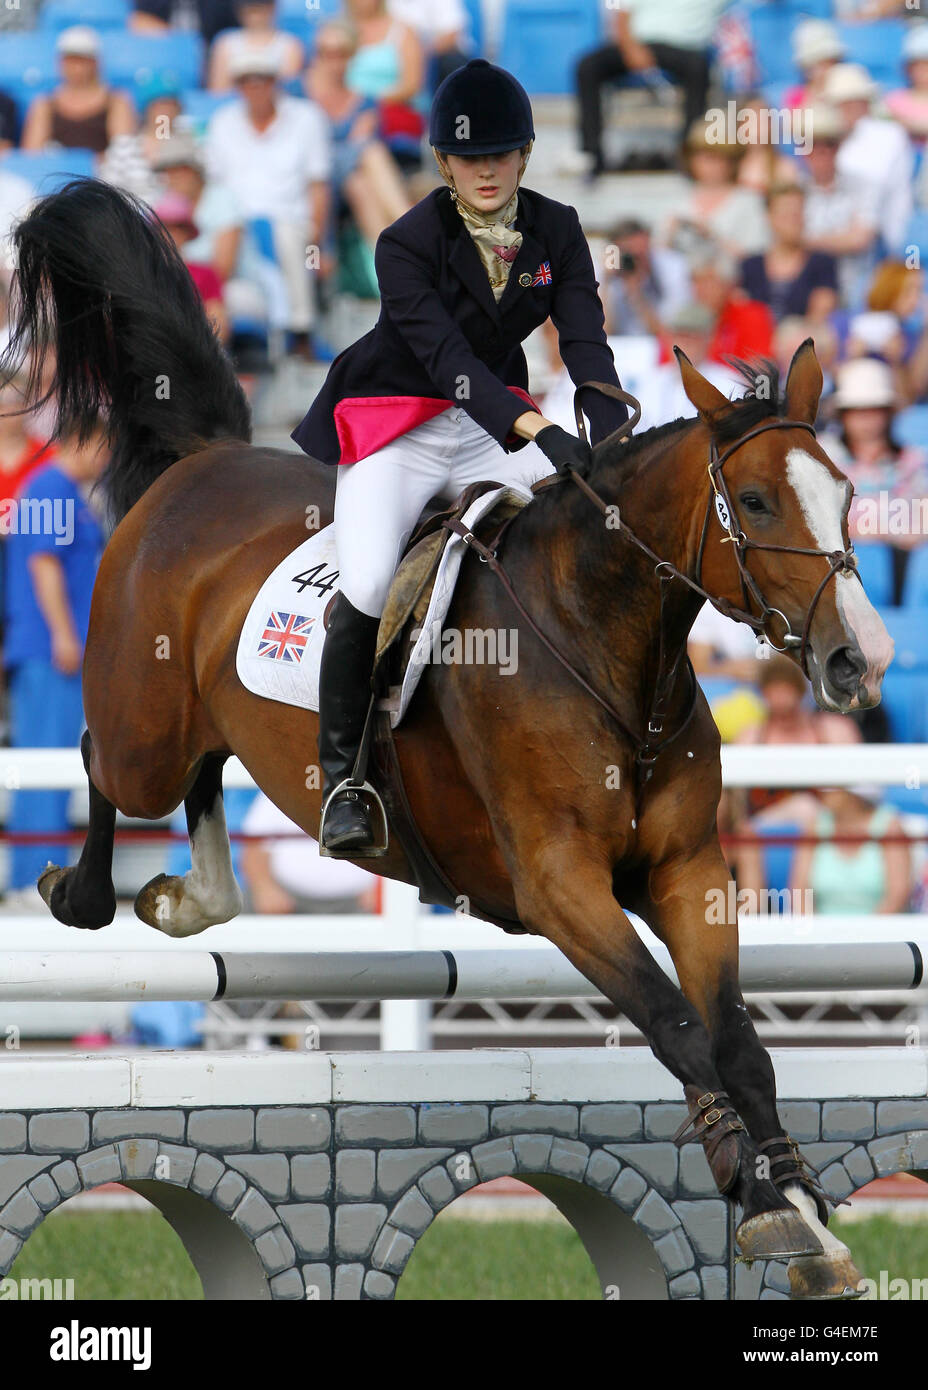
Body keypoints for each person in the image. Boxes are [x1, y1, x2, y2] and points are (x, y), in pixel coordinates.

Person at [291, 59, 629, 853]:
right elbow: (450, 365)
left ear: (525, 154)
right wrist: (538, 427)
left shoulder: (558, 227)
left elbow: (585, 341)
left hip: (490, 431)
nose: (487, 169)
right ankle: (344, 782)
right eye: (470, 157)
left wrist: (608, 434)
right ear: (444, 162)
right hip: (398, 424)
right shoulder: (403, 241)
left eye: (502, 154)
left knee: (588, 526)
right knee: (371, 580)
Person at [3, 421, 106, 900]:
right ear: (84, 439)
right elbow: (42, 564)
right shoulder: (49, 487)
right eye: (105, 446)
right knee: (43, 768)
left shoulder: (64, 491)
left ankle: (36, 875)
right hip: (50, 655)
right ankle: (30, 880)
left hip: (58, 655)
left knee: (57, 767)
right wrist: (64, 635)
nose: (107, 459)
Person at [205, 48, 333, 359]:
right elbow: (214, 187)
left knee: (287, 238)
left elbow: (318, 185)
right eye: (247, 81)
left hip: (291, 221)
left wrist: (317, 239)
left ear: (275, 82)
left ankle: (299, 331)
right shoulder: (223, 123)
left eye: (262, 80)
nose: (255, 87)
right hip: (238, 223)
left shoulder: (306, 118)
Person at [575, 0, 725, 178]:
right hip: (639, 44)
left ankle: (690, 152)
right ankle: (592, 155)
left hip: (685, 49)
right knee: (588, 67)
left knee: (698, 69)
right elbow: (622, 14)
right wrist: (631, 49)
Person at [822, 357, 928, 597]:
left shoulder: (911, 460)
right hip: (838, 575)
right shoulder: (825, 458)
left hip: (902, 570)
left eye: (875, 411)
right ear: (844, 416)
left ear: (888, 414)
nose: (867, 421)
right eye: (858, 412)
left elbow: (923, 519)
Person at [305, 20, 411, 260]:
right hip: (315, 178)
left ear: (352, 56)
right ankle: (410, 225)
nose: (334, 61)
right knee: (369, 151)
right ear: (317, 55)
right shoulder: (298, 93)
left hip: (347, 180)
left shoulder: (364, 101)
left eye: (341, 54)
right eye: (326, 53)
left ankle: (389, 268)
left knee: (360, 184)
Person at [824, 62, 914, 255]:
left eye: (851, 102)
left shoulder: (886, 135)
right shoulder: (835, 143)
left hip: (887, 244)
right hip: (855, 236)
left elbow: (865, 227)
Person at [240, 791, 379, 912]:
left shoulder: (367, 791)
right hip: (289, 901)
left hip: (359, 903)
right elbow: (254, 847)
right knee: (244, 907)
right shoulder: (280, 788)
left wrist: (382, 890)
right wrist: (264, 888)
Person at [800, 102, 879, 312]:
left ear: (839, 146)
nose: (821, 151)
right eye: (812, 144)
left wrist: (806, 240)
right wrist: (839, 240)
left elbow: (860, 239)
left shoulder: (862, 186)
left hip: (852, 290)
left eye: (829, 143)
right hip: (807, 291)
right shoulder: (795, 189)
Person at [790, 786, 912, 915]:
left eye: (833, 787)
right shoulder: (814, 826)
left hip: (879, 933)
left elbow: (897, 895)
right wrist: (815, 931)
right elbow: (799, 890)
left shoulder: (890, 826)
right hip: (822, 933)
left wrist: (866, 933)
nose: (821, 792)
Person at [661, 118, 769, 263]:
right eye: (704, 157)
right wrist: (670, 236)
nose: (711, 165)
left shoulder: (749, 201)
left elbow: (757, 259)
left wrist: (712, 237)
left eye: (718, 158)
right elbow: (659, 255)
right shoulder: (676, 199)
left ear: (732, 161)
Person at [21, 27, 135, 155]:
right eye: (70, 60)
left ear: (96, 63)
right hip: (57, 172)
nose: (76, 67)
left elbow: (123, 151)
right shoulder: (44, 103)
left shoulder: (116, 100)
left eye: (82, 60)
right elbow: (32, 154)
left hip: (103, 173)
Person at [740, 184, 839, 325]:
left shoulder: (822, 263)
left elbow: (820, 315)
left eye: (798, 213)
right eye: (786, 214)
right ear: (769, 217)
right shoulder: (751, 266)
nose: (794, 221)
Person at [152, 193, 229, 343]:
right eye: (164, 226)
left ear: (188, 232)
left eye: (178, 227)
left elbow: (219, 326)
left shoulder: (206, 274)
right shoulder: (144, 271)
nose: (170, 233)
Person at [601, 217, 690, 337]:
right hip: (617, 346)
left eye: (641, 253)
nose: (636, 261)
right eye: (629, 254)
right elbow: (603, 331)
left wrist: (636, 293)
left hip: (657, 346)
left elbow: (666, 332)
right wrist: (606, 282)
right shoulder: (606, 273)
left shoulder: (670, 265)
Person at [208, 0, 305, 91]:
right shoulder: (225, 43)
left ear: (272, 8)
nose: (255, 16)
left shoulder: (290, 44)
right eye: (250, 10)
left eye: (259, 9)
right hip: (235, 106)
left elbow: (287, 89)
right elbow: (218, 92)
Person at [783, 18, 846, 111]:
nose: (829, 69)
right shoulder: (796, 97)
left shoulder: (847, 90)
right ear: (806, 68)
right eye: (822, 64)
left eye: (833, 62)